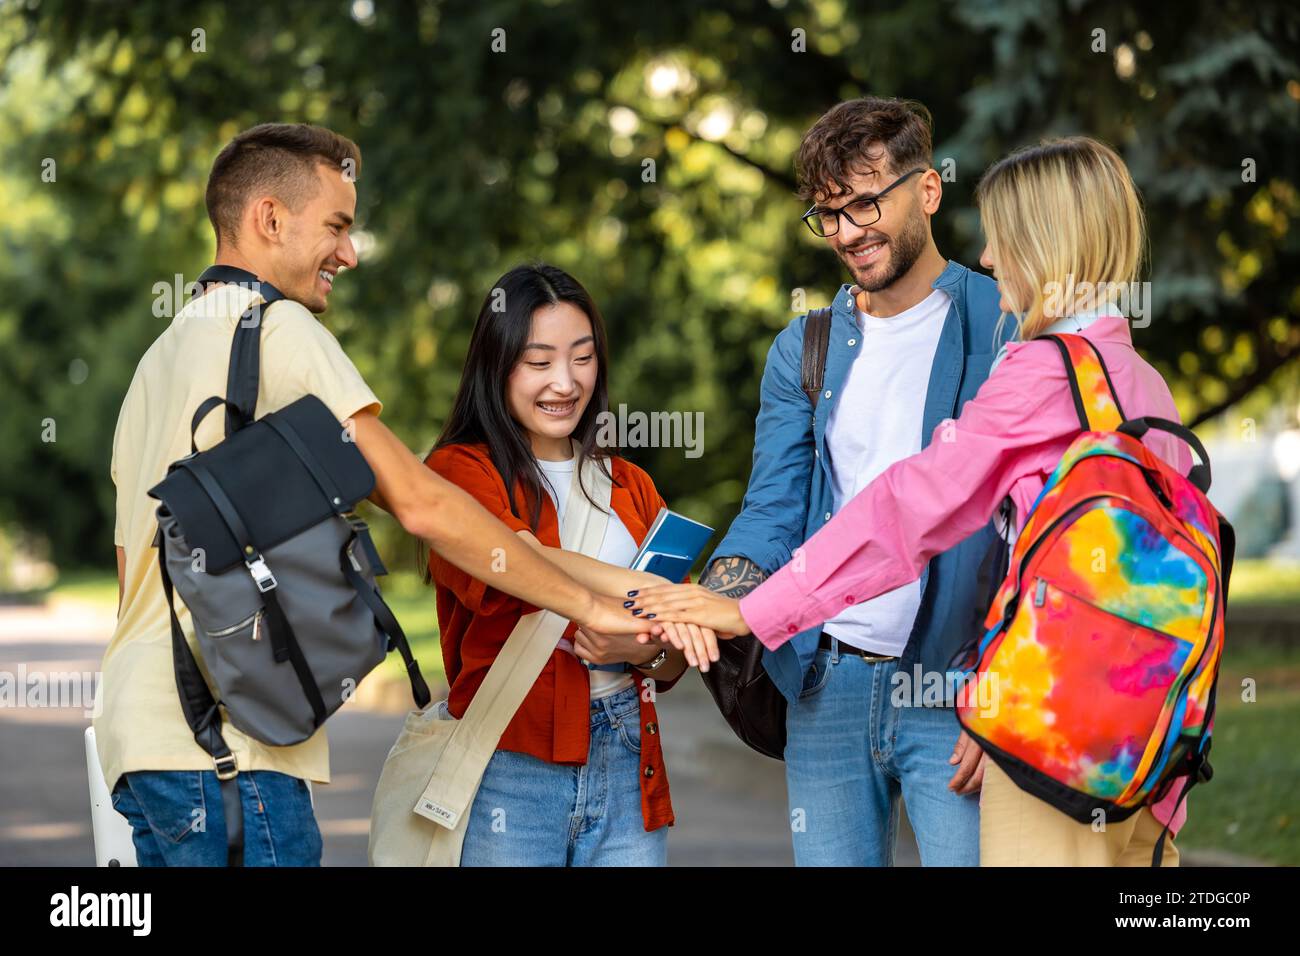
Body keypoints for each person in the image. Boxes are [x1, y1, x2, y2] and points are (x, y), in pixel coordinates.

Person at [629, 136, 1193, 867]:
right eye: (827, 214)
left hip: (1031, 731)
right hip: (1137, 740)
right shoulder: (1140, 382)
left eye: (1005, 237)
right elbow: (1138, 581)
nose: (990, 256)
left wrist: (749, 613)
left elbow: (910, 508)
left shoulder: (1035, 364)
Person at [101, 124, 646, 866]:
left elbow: (135, 563)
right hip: (226, 742)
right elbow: (421, 503)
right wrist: (586, 604)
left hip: (141, 738)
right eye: (336, 226)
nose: (349, 254)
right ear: (269, 218)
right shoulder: (277, 330)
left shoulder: (157, 359)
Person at [696, 96, 1007, 866]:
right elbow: (772, 506)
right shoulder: (804, 349)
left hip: (958, 684)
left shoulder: (1005, 324)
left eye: (865, 203)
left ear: (927, 191)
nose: (846, 232)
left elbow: (1031, 526)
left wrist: (1009, 697)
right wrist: (719, 599)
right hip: (825, 683)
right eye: (827, 214)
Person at [425, 263, 702, 866]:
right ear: (497, 364)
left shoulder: (629, 486)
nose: (565, 382)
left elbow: (675, 652)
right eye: (538, 361)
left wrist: (637, 651)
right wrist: (621, 598)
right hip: (510, 763)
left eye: (582, 357)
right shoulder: (458, 474)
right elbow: (516, 562)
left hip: (630, 758)